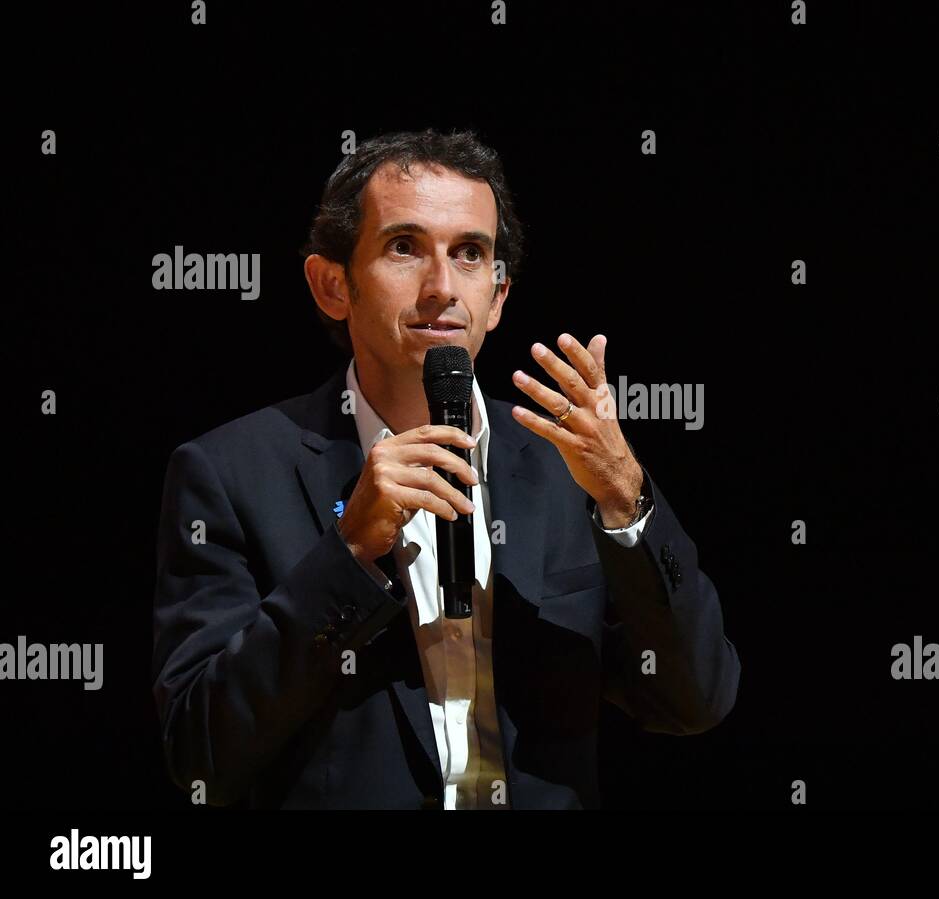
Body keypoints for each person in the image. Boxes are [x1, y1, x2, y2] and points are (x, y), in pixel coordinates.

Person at [151, 129, 740, 809]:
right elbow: (200, 749)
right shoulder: (228, 473)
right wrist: (349, 556)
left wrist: (627, 503)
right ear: (331, 284)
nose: (441, 287)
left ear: (497, 296)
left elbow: (697, 697)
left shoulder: (568, 467)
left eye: (470, 254)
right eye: (405, 247)